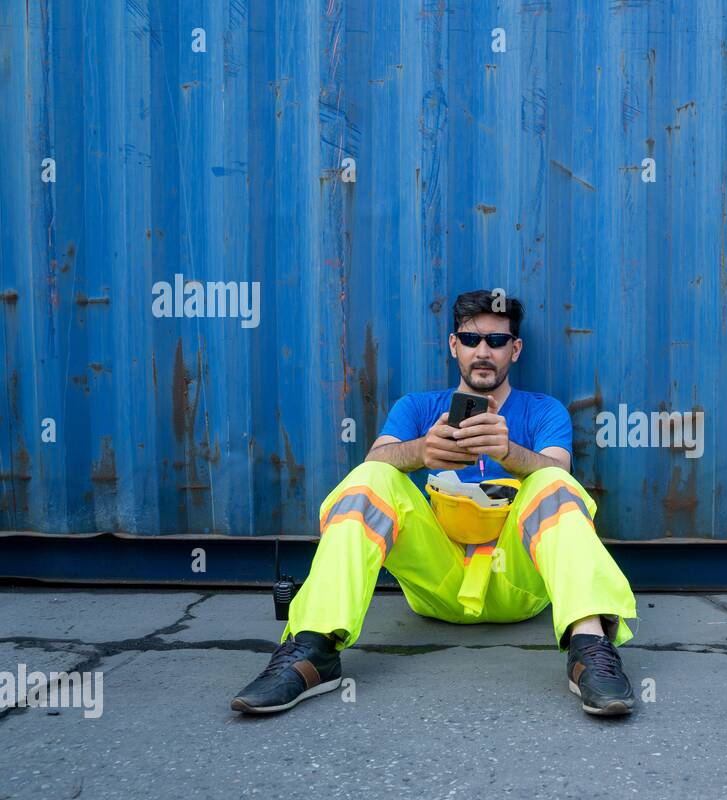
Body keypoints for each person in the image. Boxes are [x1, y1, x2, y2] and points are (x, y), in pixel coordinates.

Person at [230, 290, 638, 717]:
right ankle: (312, 651)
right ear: (453, 345)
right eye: (471, 339)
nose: (483, 352)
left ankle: (589, 648)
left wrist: (508, 453)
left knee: (552, 480)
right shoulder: (418, 407)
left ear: (515, 350)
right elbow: (376, 459)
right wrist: (421, 452)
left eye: (497, 341)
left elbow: (560, 471)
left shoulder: (542, 410)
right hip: (437, 581)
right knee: (371, 477)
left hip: (515, 584)